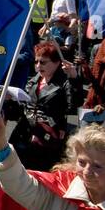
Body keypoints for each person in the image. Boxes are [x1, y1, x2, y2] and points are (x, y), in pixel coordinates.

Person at [23, 42, 72, 171]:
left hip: (48, 135)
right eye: (36, 62)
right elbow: (26, 104)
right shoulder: (34, 80)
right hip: (27, 131)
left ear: (57, 63)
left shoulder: (65, 82)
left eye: (43, 62)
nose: (38, 66)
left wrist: (74, 78)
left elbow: (73, 106)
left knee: (42, 171)